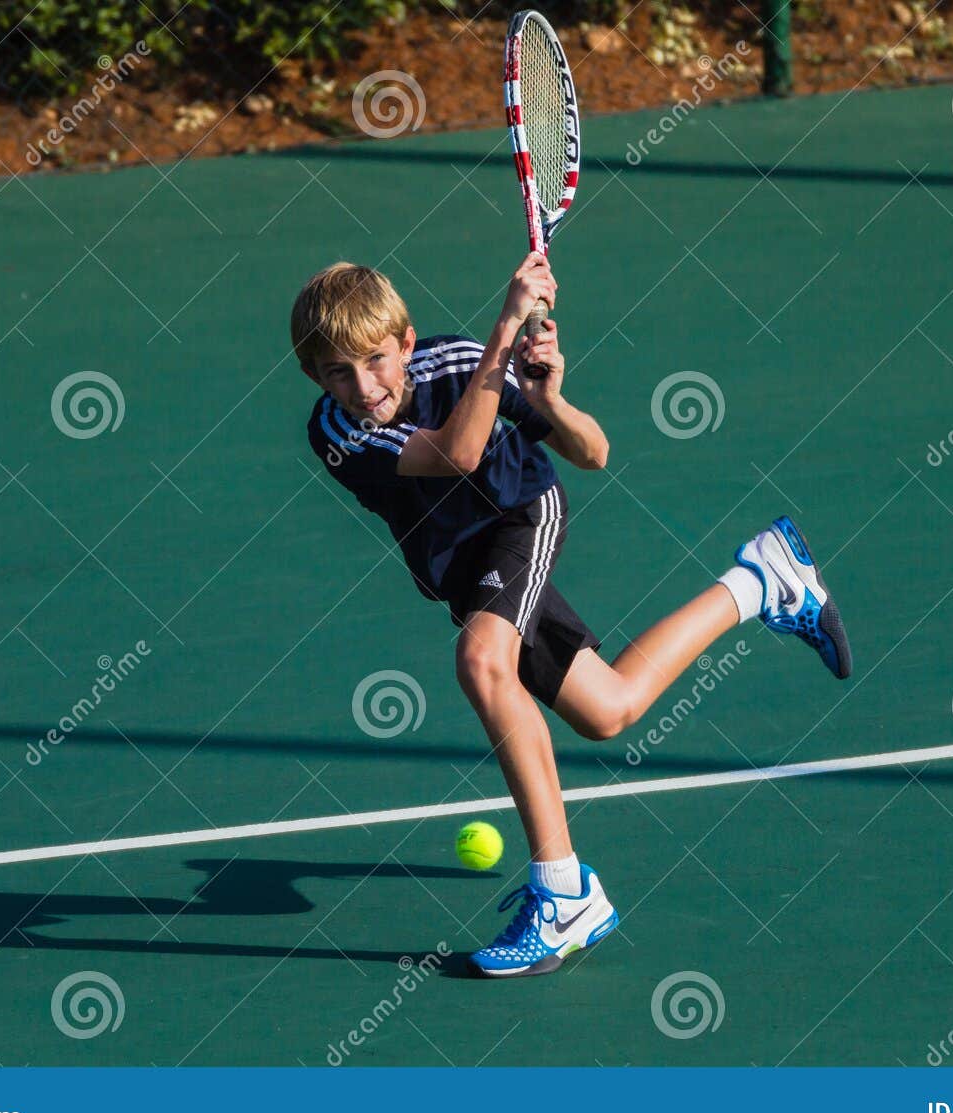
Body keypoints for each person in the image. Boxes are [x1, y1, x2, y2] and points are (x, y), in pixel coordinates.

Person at [295, 254, 851, 978]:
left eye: (375, 360)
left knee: (481, 660)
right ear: (317, 378)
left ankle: (563, 894)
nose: (363, 386)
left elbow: (593, 451)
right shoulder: (338, 430)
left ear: (406, 342)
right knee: (608, 708)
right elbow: (457, 453)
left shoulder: (464, 360)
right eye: (339, 371)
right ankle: (763, 581)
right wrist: (504, 337)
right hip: (463, 567)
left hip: (520, 516)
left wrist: (546, 397)